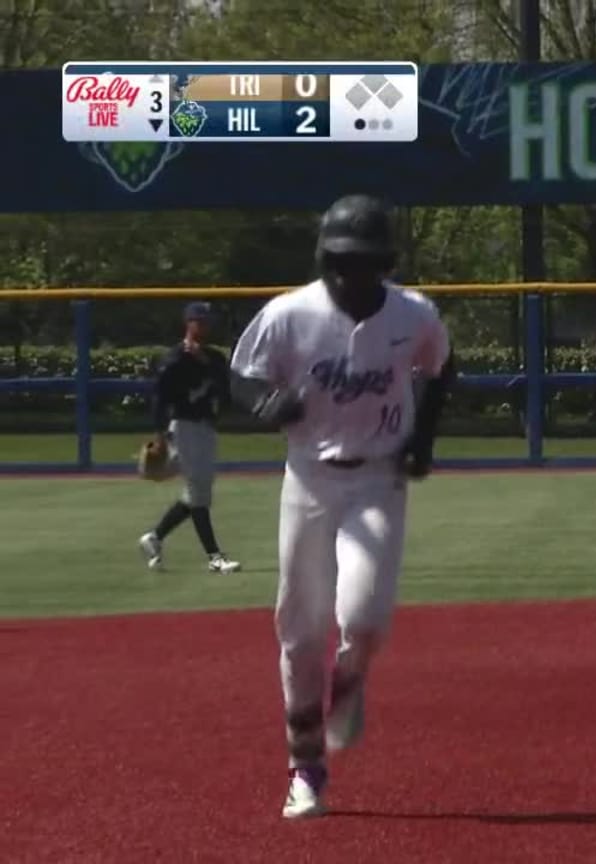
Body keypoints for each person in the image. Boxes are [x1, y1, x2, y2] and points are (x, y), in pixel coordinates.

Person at [229, 194, 455, 820]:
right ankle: (306, 768)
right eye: (340, 260)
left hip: (379, 477)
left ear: (384, 262)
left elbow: (440, 367)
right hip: (309, 479)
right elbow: (241, 374)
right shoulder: (291, 313)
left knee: (365, 617)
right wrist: (261, 403)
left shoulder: (413, 314)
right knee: (300, 632)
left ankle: (350, 680)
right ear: (325, 258)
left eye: (362, 261)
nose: (349, 272)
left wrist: (423, 440)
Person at [138, 301, 242, 574]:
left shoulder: (214, 357)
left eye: (208, 321)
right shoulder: (174, 359)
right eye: (200, 321)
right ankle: (214, 557)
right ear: (188, 323)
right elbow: (159, 400)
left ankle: (155, 537)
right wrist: (160, 435)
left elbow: (226, 388)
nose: (205, 325)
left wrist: (204, 362)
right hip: (183, 427)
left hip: (205, 428)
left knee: (197, 492)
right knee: (198, 492)